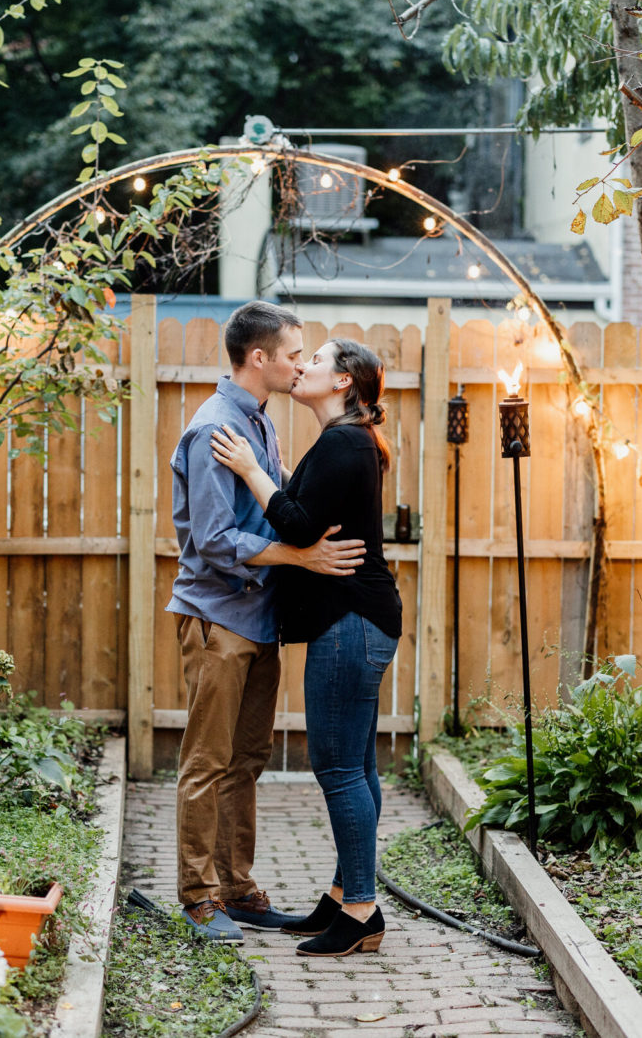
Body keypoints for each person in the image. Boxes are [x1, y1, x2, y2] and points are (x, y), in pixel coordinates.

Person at [166, 301, 368, 942]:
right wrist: (300, 555)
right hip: (218, 617)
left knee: (247, 759)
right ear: (259, 358)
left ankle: (238, 889)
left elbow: (278, 497)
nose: (300, 363)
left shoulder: (259, 423)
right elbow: (212, 539)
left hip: (260, 619)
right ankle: (199, 897)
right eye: (292, 354)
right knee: (207, 761)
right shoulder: (213, 429)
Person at [210, 337, 403, 958]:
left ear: (344, 381)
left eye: (316, 360)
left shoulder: (346, 441)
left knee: (339, 768)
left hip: (349, 622)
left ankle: (362, 912)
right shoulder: (348, 441)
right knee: (360, 766)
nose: (303, 366)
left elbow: (293, 524)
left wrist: (249, 469)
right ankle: (346, 891)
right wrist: (281, 477)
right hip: (361, 620)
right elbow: (306, 506)